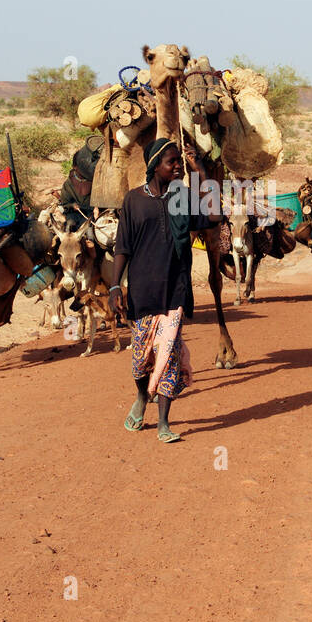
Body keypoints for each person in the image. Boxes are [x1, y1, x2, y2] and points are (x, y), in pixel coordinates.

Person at [110, 139, 220, 443]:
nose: (177, 167)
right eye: (172, 162)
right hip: (143, 291)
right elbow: (123, 247)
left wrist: (201, 170)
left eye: (179, 162)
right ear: (154, 165)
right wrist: (116, 285)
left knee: (169, 354)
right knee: (141, 359)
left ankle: (163, 423)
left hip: (175, 289)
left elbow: (214, 216)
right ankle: (142, 398)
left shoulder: (182, 198)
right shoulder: (133, 201)